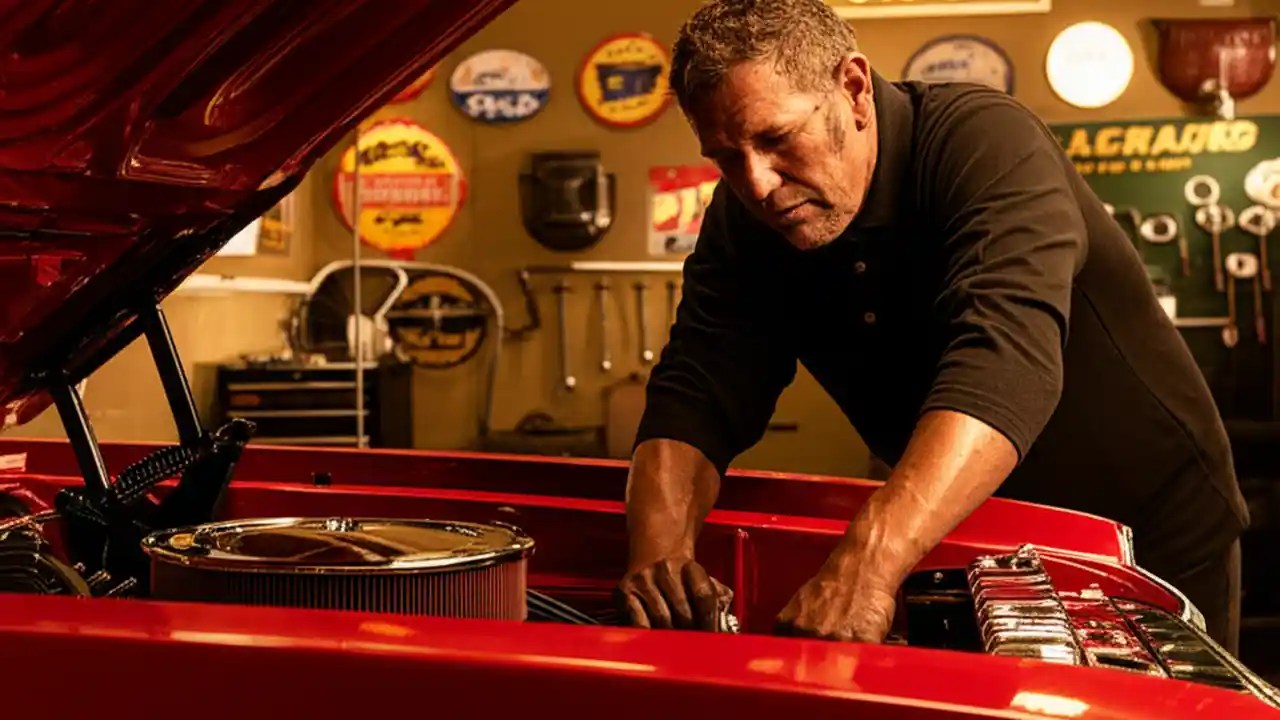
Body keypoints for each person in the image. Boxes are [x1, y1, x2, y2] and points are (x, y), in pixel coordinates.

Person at [616, 0, 1249, 655]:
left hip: (1142, 527)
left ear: (854, 89)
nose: (757, 183)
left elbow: (1002, 361)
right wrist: (658, 558)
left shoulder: (984, 141)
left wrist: (867, 562)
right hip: (966, 527)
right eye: (725, 157)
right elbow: (698, 384)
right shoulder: (745, 218)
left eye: (776, 138)